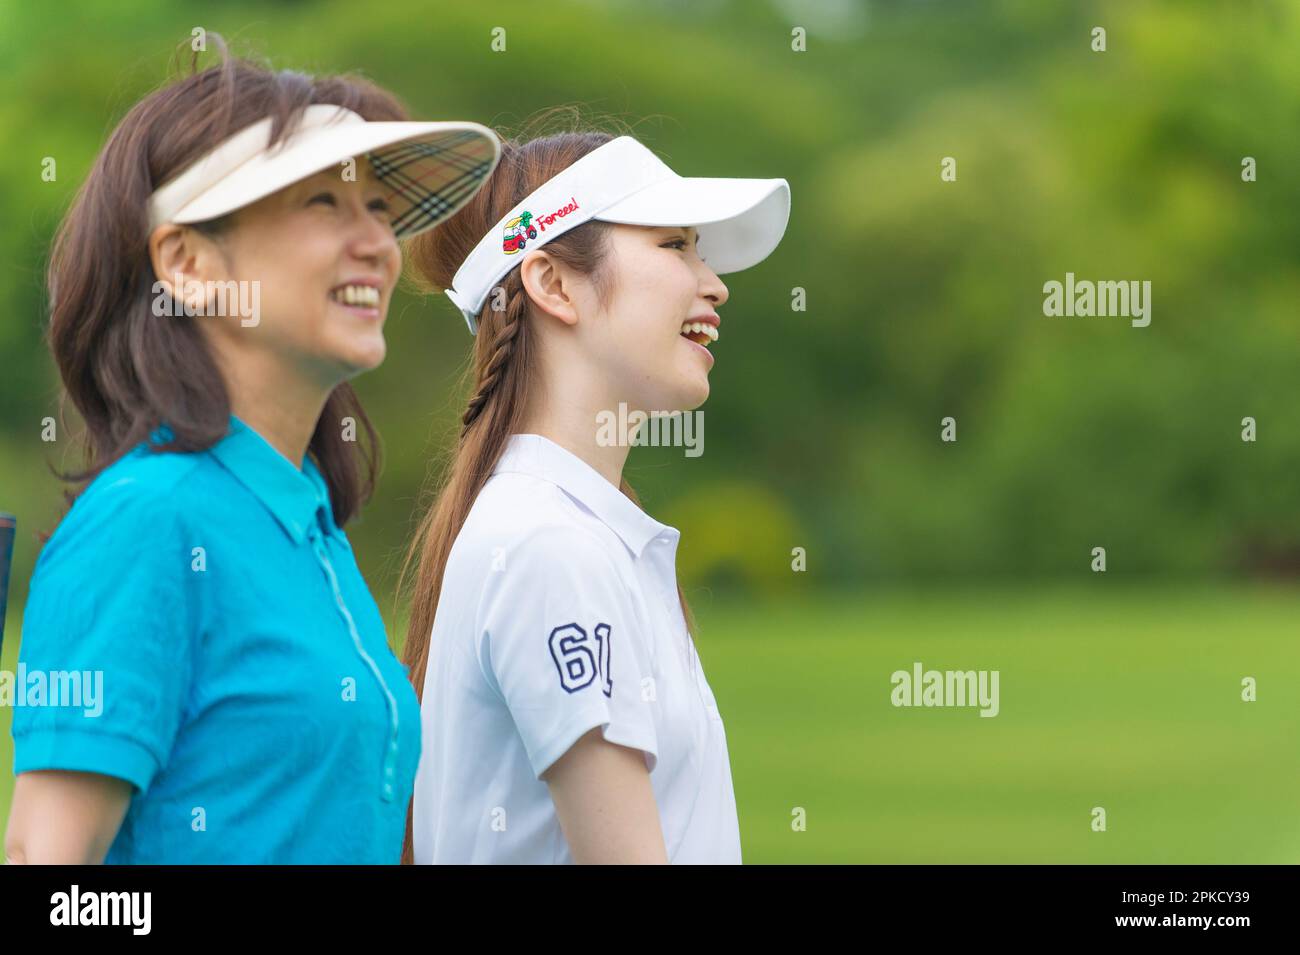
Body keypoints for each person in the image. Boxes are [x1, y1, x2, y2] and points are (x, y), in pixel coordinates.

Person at [2, 38, 501, 864]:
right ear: (190, 263)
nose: (378, 243)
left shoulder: (310, 525)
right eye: (322, 204)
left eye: (379, 209)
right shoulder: (145, 520)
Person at [400, 128, 790, 863]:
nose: (713, 282)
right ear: (552, 284)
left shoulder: (565, 532)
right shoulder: (550, 547)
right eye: (675, 245)